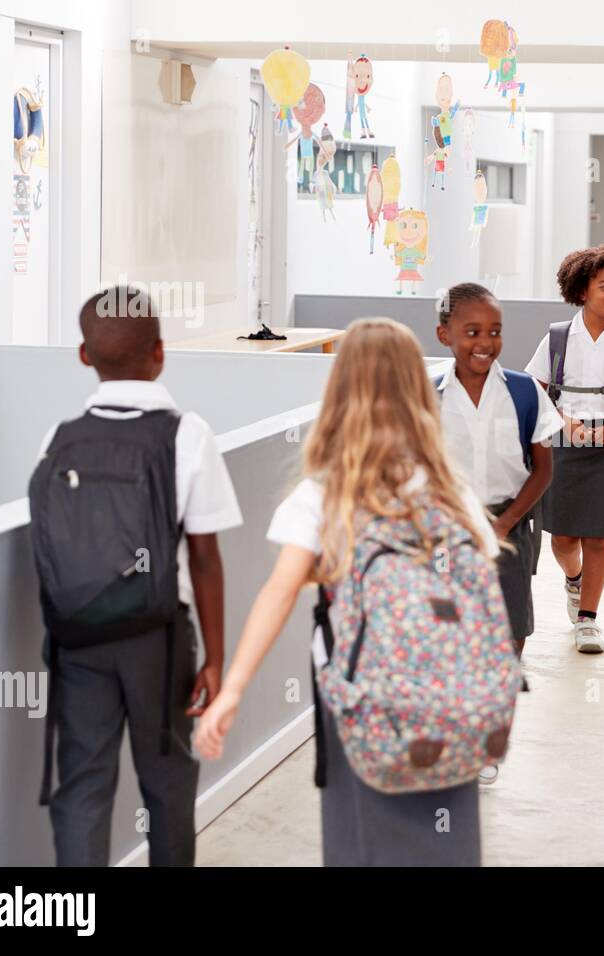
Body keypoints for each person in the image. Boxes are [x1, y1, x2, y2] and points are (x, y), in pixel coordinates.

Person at [194, 319, 505, 866]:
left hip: (365, 703)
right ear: (419, 392)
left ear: (341, 393)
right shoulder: (451, 493)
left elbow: (279, 592)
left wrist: (233, 690)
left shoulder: (326, 495)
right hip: (452, 703)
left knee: (364, 843)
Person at [31, 286, 241, 866]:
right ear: (160, 354)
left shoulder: (59, 438)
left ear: (83, 356)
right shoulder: (187, 435)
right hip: (158, 638)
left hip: (76, 640)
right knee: (167, 783)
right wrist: (216, 660)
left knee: (82, 788)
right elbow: (204, 557)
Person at [433, 283, 562, 781]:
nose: (484, 342)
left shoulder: (525, 391)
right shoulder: (427, 396)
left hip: (511, 525)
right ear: (444, 334)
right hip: (447, 529)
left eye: (494, 331)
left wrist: (505, 524)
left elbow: (543, 469)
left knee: (508, 631)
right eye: (471, 332)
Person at [525, 244, 604, 653]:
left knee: (599, 537)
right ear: (582, 290)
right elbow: (536, 390)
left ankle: (588, 619)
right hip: (563, 440)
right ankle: (573, 580)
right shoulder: (557, 338)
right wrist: (565, 423)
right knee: (563, 537)